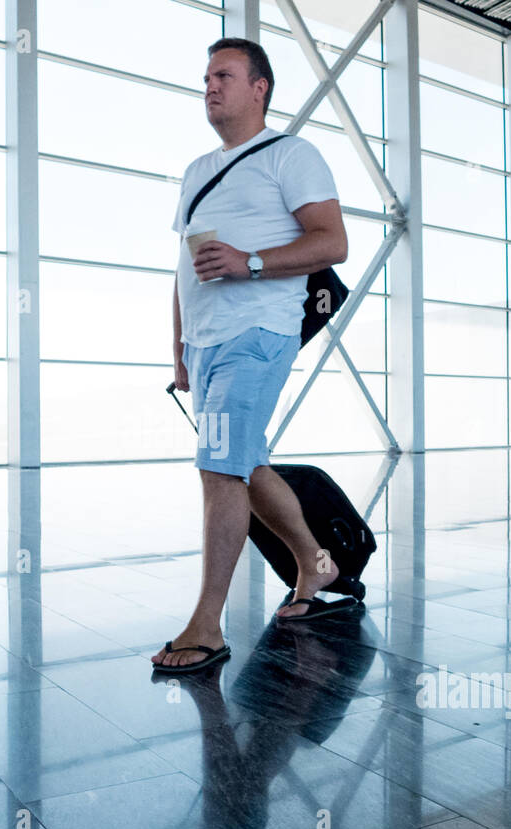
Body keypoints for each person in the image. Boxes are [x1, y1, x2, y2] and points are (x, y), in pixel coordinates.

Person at [151, 37, 348, 673]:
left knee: (219, 467)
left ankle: (207, 624)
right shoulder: (195, 169)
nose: (210, 86)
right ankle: (318, 564)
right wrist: (179, 347)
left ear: (259, 86)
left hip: (259, 332)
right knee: (245, 463)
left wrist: (251, 262)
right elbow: (185, 264)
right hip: (205, 343)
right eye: (207, 76)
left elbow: (333, 242)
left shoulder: (292, 156)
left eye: (225, 75)